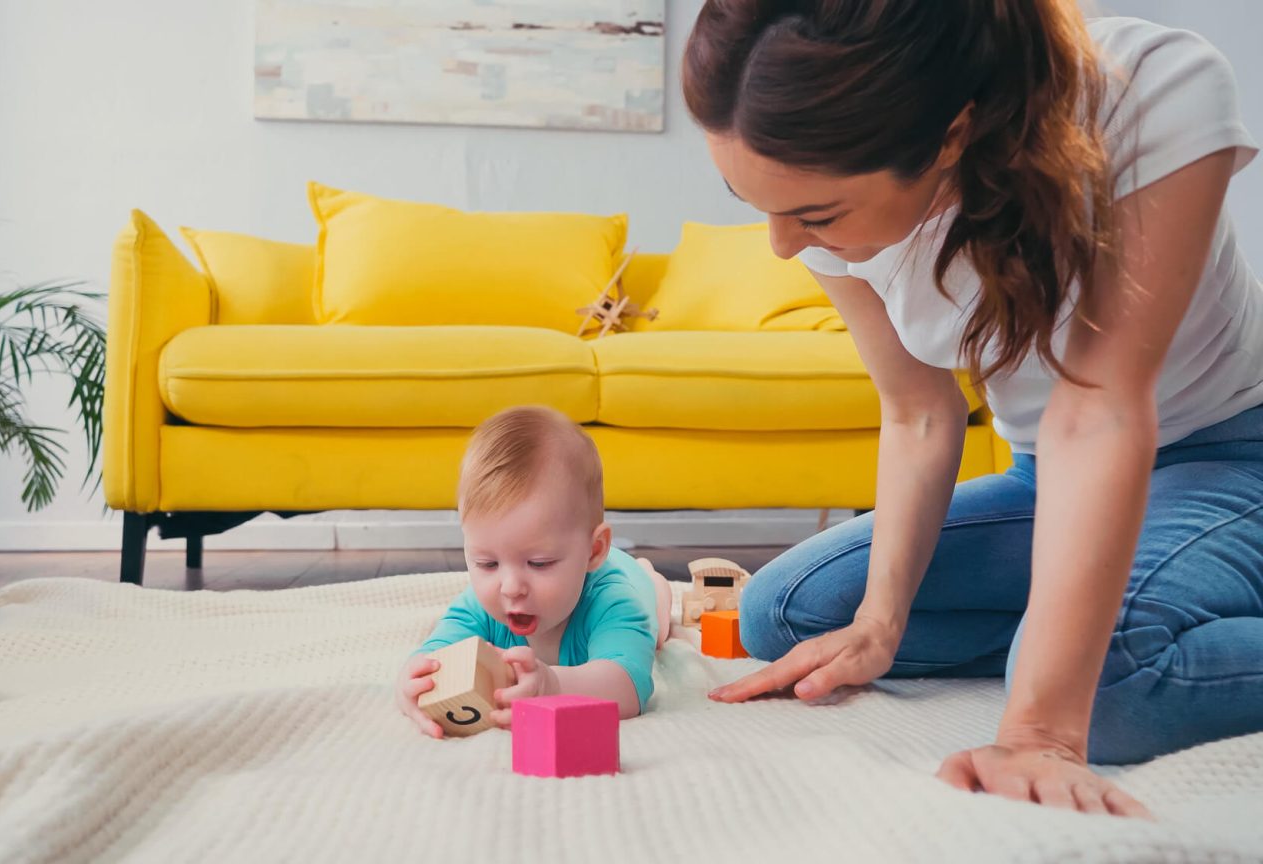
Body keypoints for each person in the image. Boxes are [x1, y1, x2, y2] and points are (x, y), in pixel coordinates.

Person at [684, 0, 1262, 818]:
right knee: (787, 615)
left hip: (1227, 453)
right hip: (1049, 477)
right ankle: (1104, 621)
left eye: (814, 216)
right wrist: (880, 623)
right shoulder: (822, 192)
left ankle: (1106, 634)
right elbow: (920, 412)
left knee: (1112, 688)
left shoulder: (1151, 87)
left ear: (952, 136)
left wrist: (1040, 730)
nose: (784, 246)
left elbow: (1098, 410)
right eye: (757, 205)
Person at [395, 406, 674, 738]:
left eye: (539, 563)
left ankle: (653, 580)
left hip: (632, 582)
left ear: (594, 550)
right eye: (488, 564)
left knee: (656, 623)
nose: (511, 588)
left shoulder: (613, 602)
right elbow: (434, 653)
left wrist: (553, 685)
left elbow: (629, 686)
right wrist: (412, 685)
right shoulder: (479, 608)